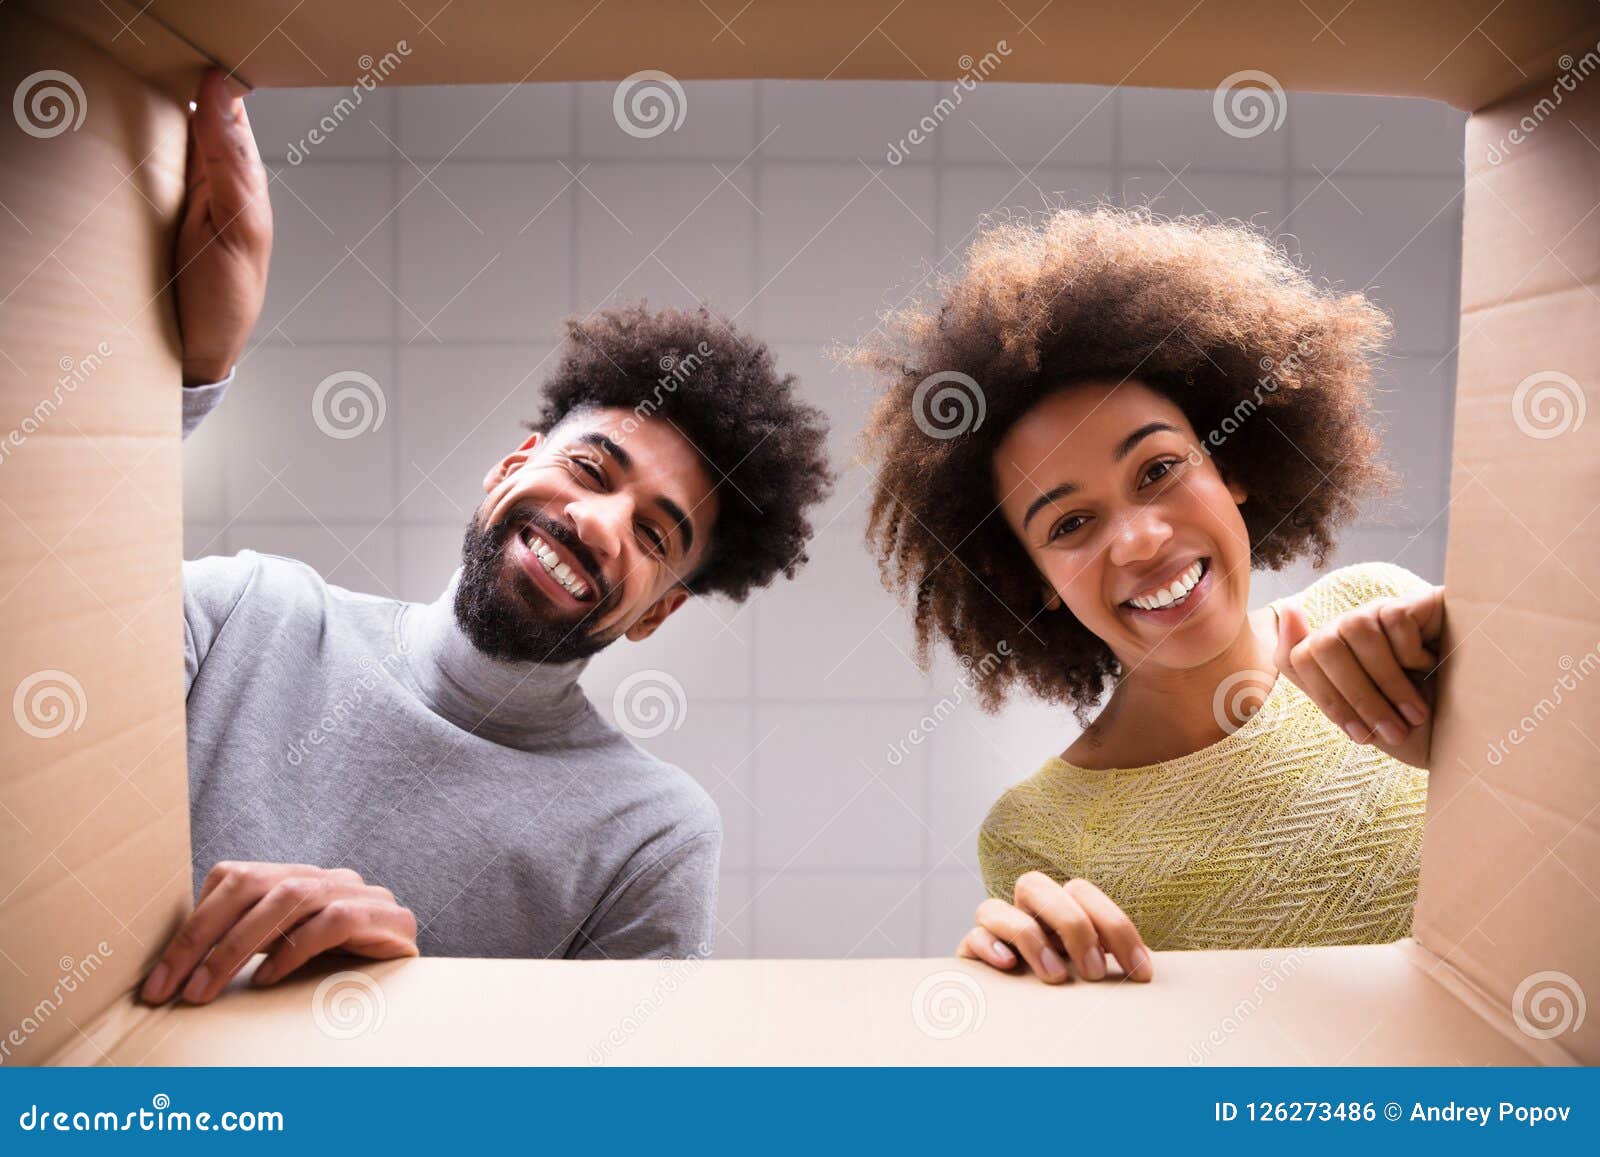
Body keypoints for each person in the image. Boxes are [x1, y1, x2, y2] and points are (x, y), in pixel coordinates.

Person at [141, 71, 832, 1006]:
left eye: (655, 534)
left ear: (657, 613)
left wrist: (413, 1007)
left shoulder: (647, 833)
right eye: (592, 470)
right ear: (510, 467)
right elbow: (38, 619)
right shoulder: (246, 615)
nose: (597, 522)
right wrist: (190, 371)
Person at [853, 204, 1445, 985]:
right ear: (1037, 580)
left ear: (1229, 468)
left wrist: (1497, 718)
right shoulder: (1037, 838)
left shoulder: (1383, 619)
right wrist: (1026, 1009)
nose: (1138, 540)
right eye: (1069, 522)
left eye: (1160, 469)